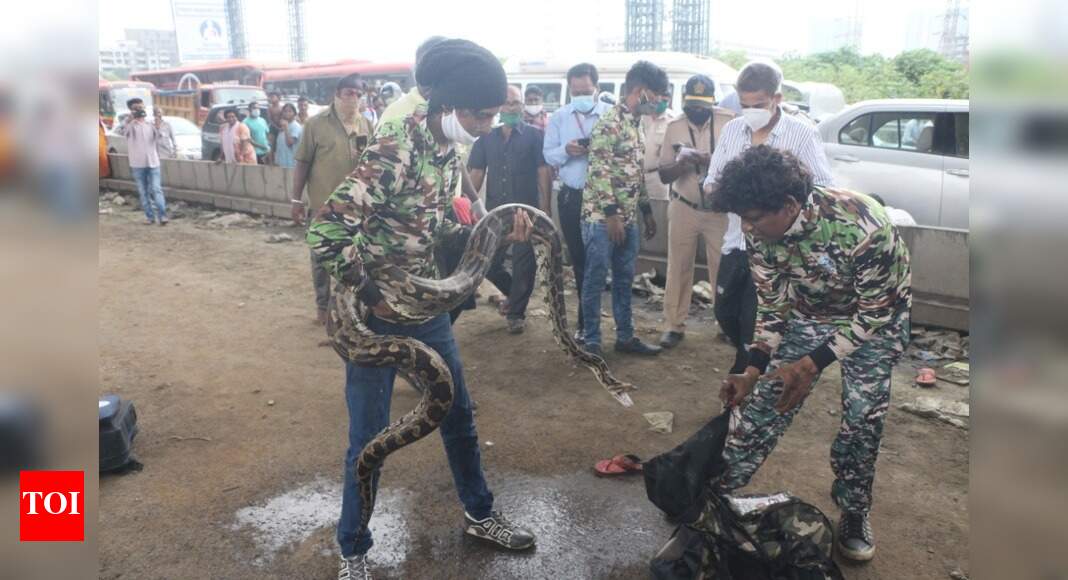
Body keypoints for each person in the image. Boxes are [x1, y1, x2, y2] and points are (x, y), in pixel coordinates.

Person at [306, 39, 537, 580]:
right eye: (480, 114)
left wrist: (494, 229)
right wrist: (371, 294)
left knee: (458, 414)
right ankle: (354, 550)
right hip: (376, 318)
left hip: (424, 306)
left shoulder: (443, 151)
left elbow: (430, 230)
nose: (486, 124)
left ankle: (480, 514)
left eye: (493, 114)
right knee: (368, 438)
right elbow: (326, 231)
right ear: (447, 105)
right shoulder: (395, 150)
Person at [714, 145, 911, 563]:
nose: (746, 226)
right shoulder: (759, 229)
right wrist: (753, 368)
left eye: (752, 217)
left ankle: (855, 510)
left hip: (873, 320)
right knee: (763, 402)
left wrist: (808, 365)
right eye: (742, 218)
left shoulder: (863, 225)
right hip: (810, 312)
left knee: (862, 418)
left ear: (788, 205)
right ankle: (718, 490)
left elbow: (876, 312)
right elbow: (772, 305)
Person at [703, 60, 835, 374]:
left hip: (779, 249)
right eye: (744, 104)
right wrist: (726, 195)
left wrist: (778, 205)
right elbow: (711, 181)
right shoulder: (733, 130)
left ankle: (744, 387)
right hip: (736, 242)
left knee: (756, 320)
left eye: (758, 104)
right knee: (726, 312)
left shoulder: (801, 134)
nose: (751, 111)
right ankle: (747, 362)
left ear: (777, 98)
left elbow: (824, 189)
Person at [579, 60, 668, 357]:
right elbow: (599, 170)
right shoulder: (610, 122)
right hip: (602, 219)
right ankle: (591, 339)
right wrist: (611, 215)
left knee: (624, 279)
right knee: (595, 277)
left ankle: (625, 337)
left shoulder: (636, 124)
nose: (658, 102)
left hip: (627, 219)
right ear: (641, 91)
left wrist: (645, 211)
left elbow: (635, 172)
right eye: (656, 95)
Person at [290, 73, 376, 329]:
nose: (354, 99)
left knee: (355, 258)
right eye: (349, 93)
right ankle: (322, 308)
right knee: (320, 258)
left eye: (359, 94)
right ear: (337, 95)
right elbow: (302, 162)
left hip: (356, 208)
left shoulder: (366, 125)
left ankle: (349, 309)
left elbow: (372, 163)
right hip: (322, 205)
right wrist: (296, 199)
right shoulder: (315, 125)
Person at [656, 75, 735, 349]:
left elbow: (741, 165)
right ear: (683, 102)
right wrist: (683, 163)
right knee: (678, 266)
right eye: (692, 106)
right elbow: (664, 174)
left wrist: (711, 161)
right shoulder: (674, 127)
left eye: (703, 106)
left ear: (712, 102)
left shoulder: (729, 122)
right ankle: (673, 326)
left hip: (720, 210)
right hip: (683, 207)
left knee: (723, 269)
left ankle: (727, 325)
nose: (697, 111)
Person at [467, 85, 553, 334]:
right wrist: (469, 207)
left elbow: (543, 171)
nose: (510, 108)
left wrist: (545, 207)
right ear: (497, 107)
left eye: (515, 103)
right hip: (495, 212)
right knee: (489, 263)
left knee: (523, 263)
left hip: (526, 212)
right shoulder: (485, 139)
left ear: (523, 105)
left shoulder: (535, 136)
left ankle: (516, 313)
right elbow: (476, 173)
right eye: (505, 103)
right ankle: (512, 294)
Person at [543, 63, 611, 341]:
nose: (581, 95)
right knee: (581, 262)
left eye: (586, 90)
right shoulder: (560, 117)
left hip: (602, 198)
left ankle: (598, 324)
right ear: (569, 89)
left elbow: (620, 154)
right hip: (572, 197)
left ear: (596, 88)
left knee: (600, 263)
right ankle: (585, 325)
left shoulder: (610, 115)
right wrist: (567, 150)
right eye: (576, 91)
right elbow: (548, 156)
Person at [119, 98, 168, 225]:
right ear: (131, 109)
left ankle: (162, 216)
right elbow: (124, 132)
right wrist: (130, 119)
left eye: (141, 107)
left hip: (153, 163)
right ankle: (150, 217)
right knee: (143, 192)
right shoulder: (129, 125)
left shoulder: (150, 124)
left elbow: (160, 137)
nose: (140, 109)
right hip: (137, 164)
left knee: (156, 189)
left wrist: (158, 126)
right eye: (136, 107)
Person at [273, 103, 302, 169]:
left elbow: (289, 143)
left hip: (291, 164)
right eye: (285, 111)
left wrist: (286, 128)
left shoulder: (295, 126)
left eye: (290, 111)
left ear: (294, 113)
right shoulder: (283, 126)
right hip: (281, 163)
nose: (287, 113)